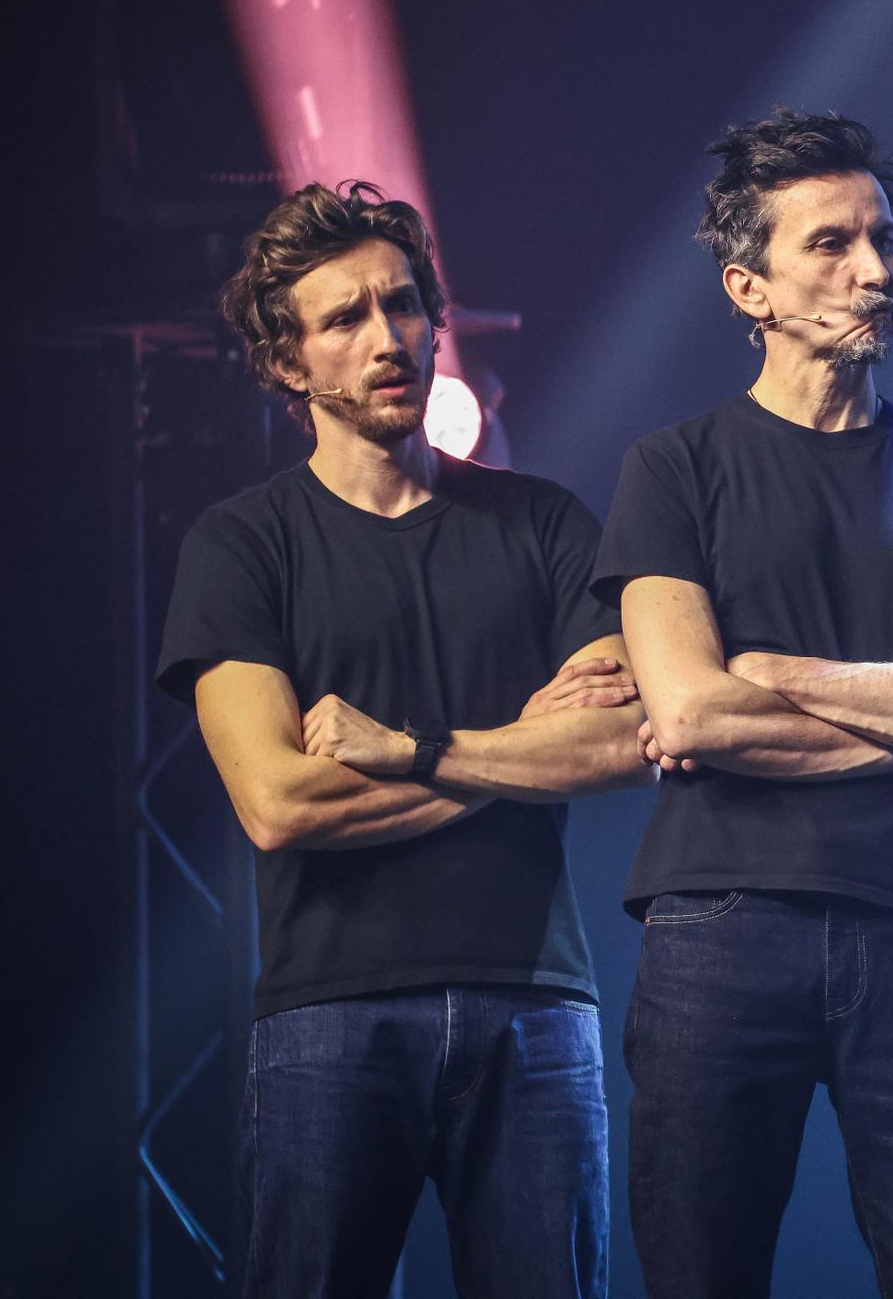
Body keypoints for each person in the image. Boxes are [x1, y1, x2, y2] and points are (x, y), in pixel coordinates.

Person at [156, 181, 654, 1298]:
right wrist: (516, 749)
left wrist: (410, 746)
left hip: (535, 1000)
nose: (388, 338)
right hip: (330, 1011)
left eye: (403, 305)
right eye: (344, 319)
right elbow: (279, 802)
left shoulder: (543, 523)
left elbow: (627, 741)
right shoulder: (243, 547)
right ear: (288, 364)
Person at [591, 109, 893, 1299]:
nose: (877, 269)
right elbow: (689, 713)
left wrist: (781, 673)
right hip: (719, 925)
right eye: (833, 244)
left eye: (885, 239)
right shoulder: (674, 467)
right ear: (749, 285)